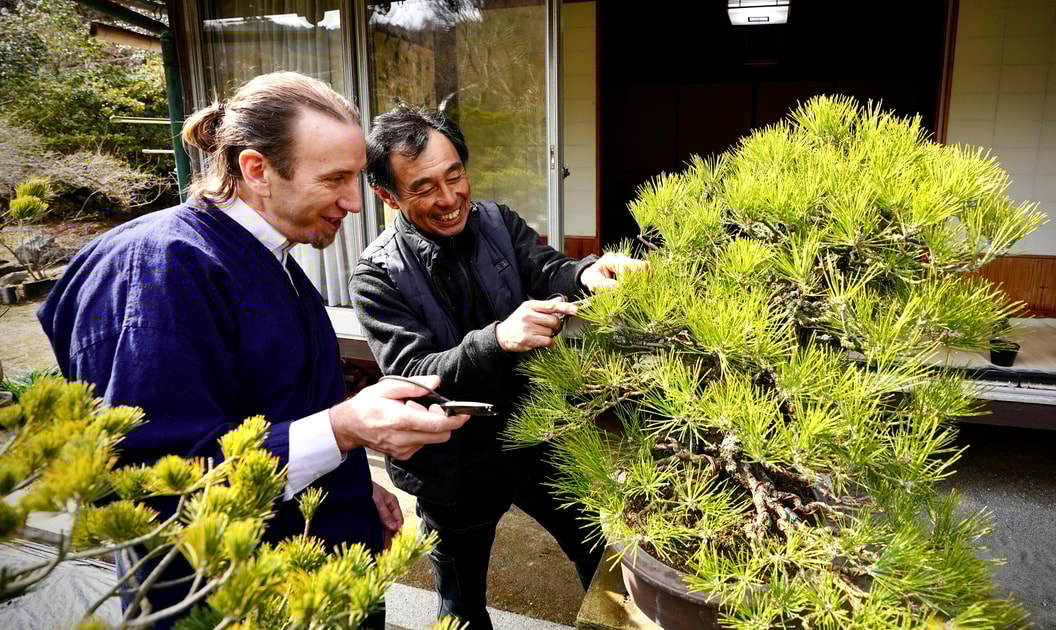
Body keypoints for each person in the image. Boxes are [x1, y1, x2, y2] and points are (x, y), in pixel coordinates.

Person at [38, 72, 469, 628]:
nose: (354, 203)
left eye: (357, 178)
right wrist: (343, 429)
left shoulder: (272, 256)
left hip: (322, 568)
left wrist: (354, 483)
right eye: (335, 179)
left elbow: (278, 405)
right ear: (256, 169)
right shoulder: (162, 266)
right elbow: (156, 481)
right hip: (236, 599)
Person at [350, 106, 646, 629]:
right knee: (461, 606)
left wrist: (588, 272)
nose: (448, 199)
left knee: (599, 559)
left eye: (455, 176)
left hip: (536, 438)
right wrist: (499, 340)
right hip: (451, 466)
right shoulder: (378, 274)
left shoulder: (497, 223)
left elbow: (548, 269)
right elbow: (412, 372)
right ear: (387, 195)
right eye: (423, 188)